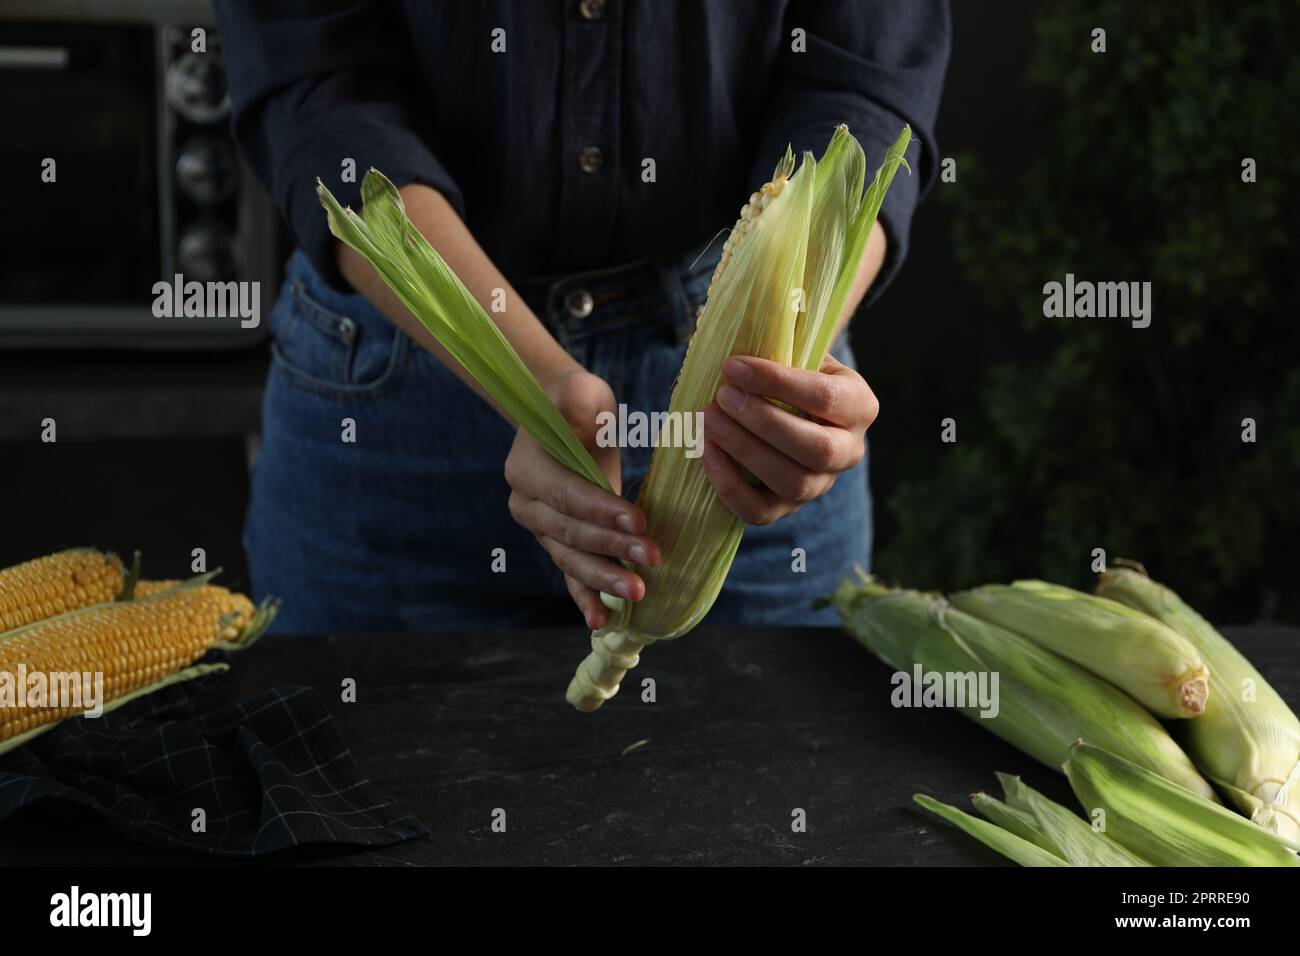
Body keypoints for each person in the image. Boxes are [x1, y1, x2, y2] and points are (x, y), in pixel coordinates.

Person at [214, 1, 950, 635]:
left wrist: (790, 365)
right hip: (394, 406)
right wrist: (532, 382)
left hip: (743, 436)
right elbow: (319, 86)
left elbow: (866, 82)